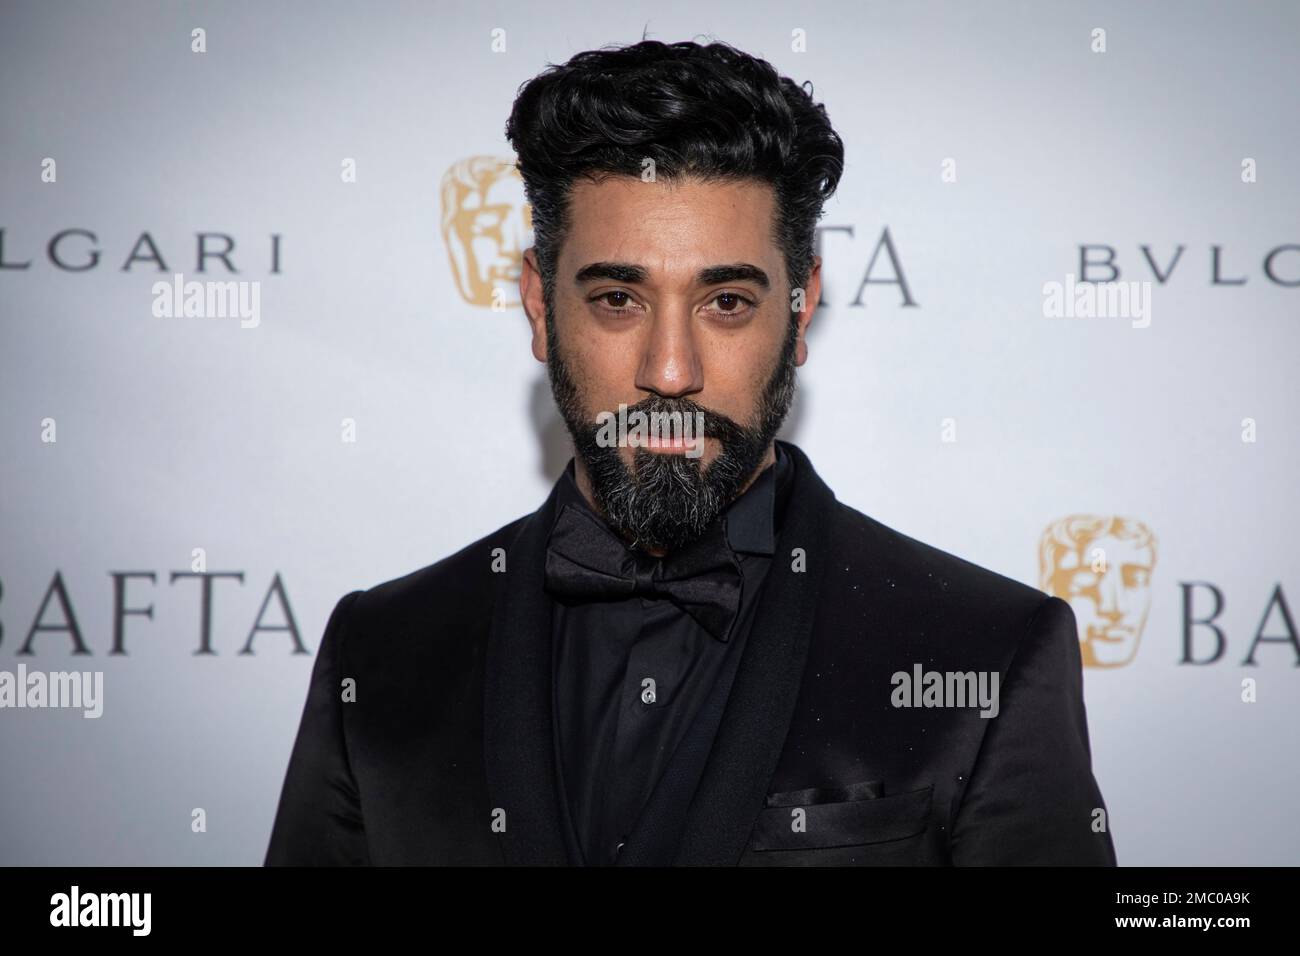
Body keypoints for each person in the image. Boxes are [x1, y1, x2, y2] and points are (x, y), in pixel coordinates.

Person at [265, 38, 1116, 866]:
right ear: (536, 304)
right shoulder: (380, 654)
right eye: (617, 298)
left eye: (728, 302)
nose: (669, 372)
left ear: (801, 304)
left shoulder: (985, 652)